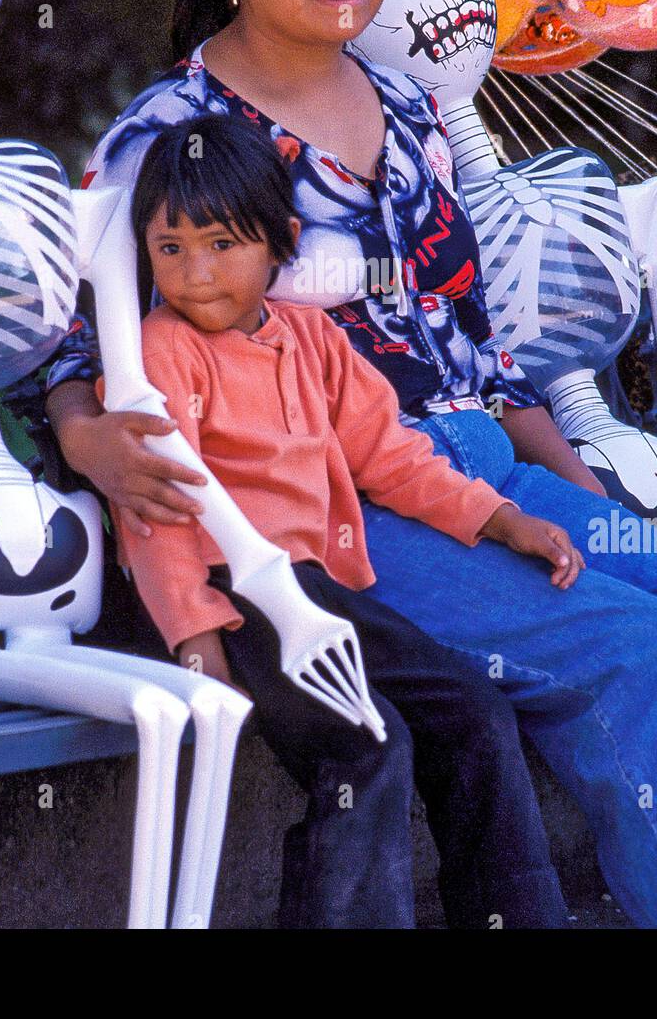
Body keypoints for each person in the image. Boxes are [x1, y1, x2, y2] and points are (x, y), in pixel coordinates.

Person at [45, 0, 657, 928]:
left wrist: (591, 509)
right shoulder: (173, 132)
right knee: (641, 652)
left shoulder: (405, 103)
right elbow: (81, 341)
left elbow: (480, 337)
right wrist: (92, 439)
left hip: (484, 471)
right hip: (342, 496)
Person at [107, 109, 573, 930]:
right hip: (227, 601)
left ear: (281, 241)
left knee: (471, 710)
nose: (194, 274)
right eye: (169, 249)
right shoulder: (162, 350)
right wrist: (194, 632)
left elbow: (389, 456)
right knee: (368, 744)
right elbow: (157, 506)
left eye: (222, 245)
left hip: (317, 595)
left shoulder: (313, 338)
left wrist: (499, 518)